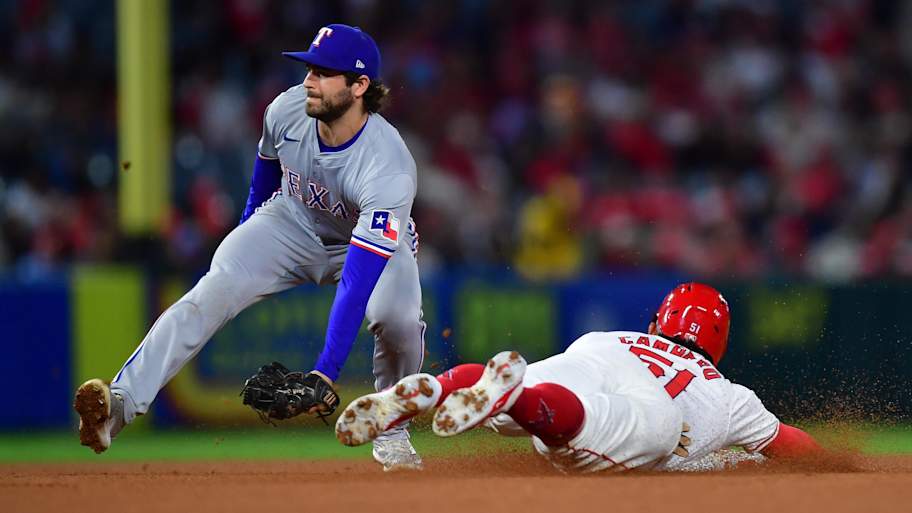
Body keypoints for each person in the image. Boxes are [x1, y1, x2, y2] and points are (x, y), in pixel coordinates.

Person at [74, 24, 427, 471]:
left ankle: (393, 428)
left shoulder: (388, 166)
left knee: (395, 319)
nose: (308, 81)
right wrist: (247, 246)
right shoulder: (286, 110)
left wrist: (326, 371)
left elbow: (357, 279)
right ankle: (120, 405)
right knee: (212, 290)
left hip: (368, 242)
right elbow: (264, 176)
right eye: (309, 68)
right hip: (292, 222)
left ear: (360, 87)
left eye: (324, 72)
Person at [335, 283, 822, 472]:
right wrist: (834, 461)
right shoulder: (728, 393)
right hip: (654, 404)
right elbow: (787, 442)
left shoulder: (620, 334)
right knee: (595, 428)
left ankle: (446, 387)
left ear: (658, 323)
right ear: (720, 344)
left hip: (593, 354)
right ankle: (518, 401)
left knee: (522, 395)